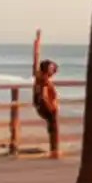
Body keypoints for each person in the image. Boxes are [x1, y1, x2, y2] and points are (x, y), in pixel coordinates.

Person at [31, 30, 60, 158]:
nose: (53, 70)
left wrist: (37, 43)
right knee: (54, 127)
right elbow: (42, 95)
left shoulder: (41, 77)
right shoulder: (42, 78)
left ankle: (54, 149)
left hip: (44, 106)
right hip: (46, 107)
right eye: (51, 68)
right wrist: (51, 105)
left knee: (52, 127)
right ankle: (54, 150)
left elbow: (36, 59)